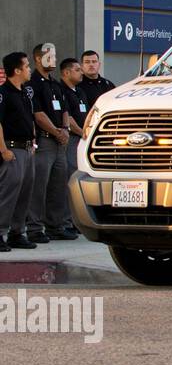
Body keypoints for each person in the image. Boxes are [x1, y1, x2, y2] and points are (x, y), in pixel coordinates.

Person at [25, 44, 76, 242]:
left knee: (58, 185)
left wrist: (64, 129)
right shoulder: (33, 84)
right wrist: (55, 131)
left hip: (60, 143)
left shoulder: (55, 84)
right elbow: (37, 114)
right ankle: (35, 228)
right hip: (45, 142)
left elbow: (64, 110)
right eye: (49, 56)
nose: (54, 59)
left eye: (55, 55)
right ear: (38, 59)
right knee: (39, 186)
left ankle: (55, 226)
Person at [0, 53, 40, 251]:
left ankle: (17, 233)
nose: (29, 69)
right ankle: (0, 233)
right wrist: (3, 150)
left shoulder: (24, 92)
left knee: (25, 193)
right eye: (26, 65)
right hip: (12, 149)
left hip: (26, 149)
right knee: (8, 194)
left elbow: (29, 119)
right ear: (16, 70)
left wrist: (33, 142)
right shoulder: (4, 93)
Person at [58, 58, 88, 237]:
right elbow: (68, 118)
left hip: (82, 140)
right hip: (73, 140)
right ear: (66, 72)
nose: (81, 72)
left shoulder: (80, 92)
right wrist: (83, 132)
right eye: (77, 69)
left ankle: (77, 220)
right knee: (69, 177)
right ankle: (66, 221)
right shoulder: (62, 91)